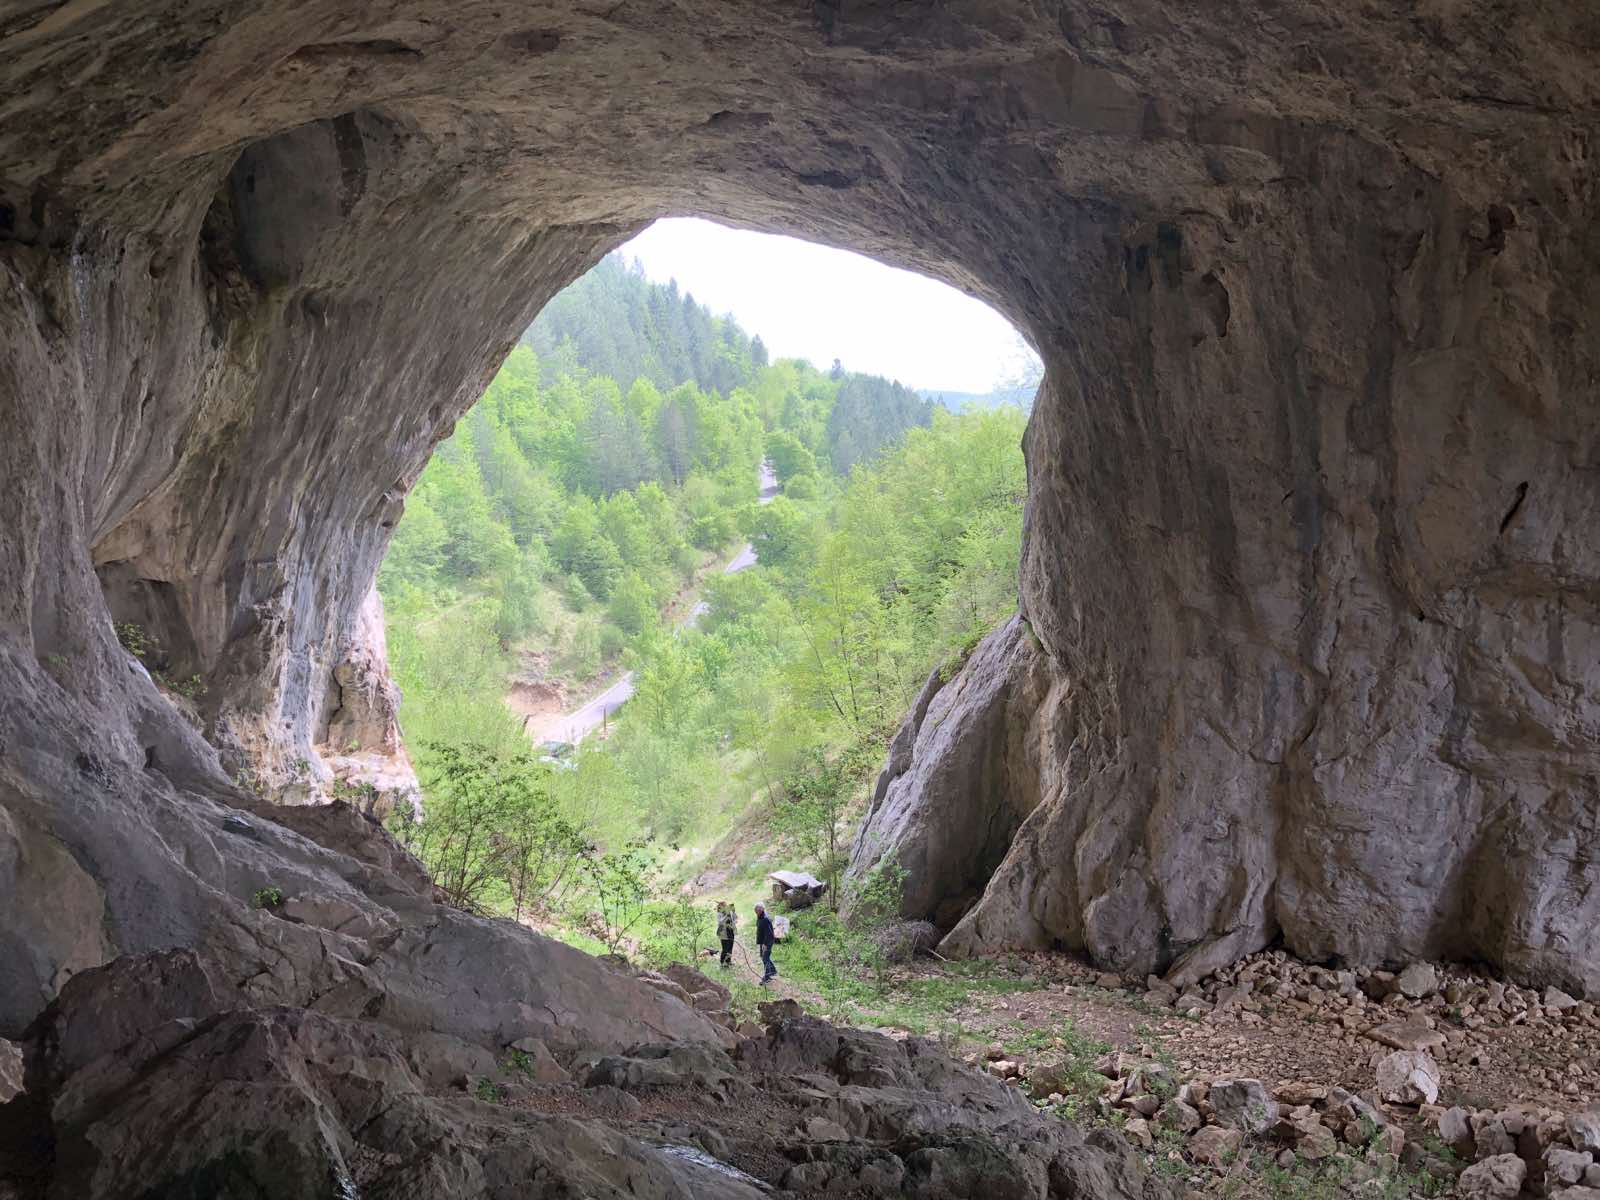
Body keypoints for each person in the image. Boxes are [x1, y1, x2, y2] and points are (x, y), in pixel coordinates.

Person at [755, 903, 777, 984]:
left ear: (762, 910)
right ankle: (772, 971)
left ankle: (767, 977)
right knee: (763, 956)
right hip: (763, 941)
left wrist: (765, 944)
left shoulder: (765, 919)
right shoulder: (760, 916)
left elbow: (769, 933)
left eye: (757, 910)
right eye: (755, 911)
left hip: (767, 941)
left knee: (765, 958)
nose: (756, 912)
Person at [715, 901, 737, 968]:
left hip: (730, 931)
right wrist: (726, 916)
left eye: (726, 906)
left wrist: (733, 912)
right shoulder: (719, 914)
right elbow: (720, 923)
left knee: (730, 947)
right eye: (723, 906)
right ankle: (722, 962)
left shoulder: (729, 912)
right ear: (720, 908)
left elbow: (735, 918)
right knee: (725, 948)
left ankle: (728, 961)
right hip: (723, 933)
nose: (725, 907)